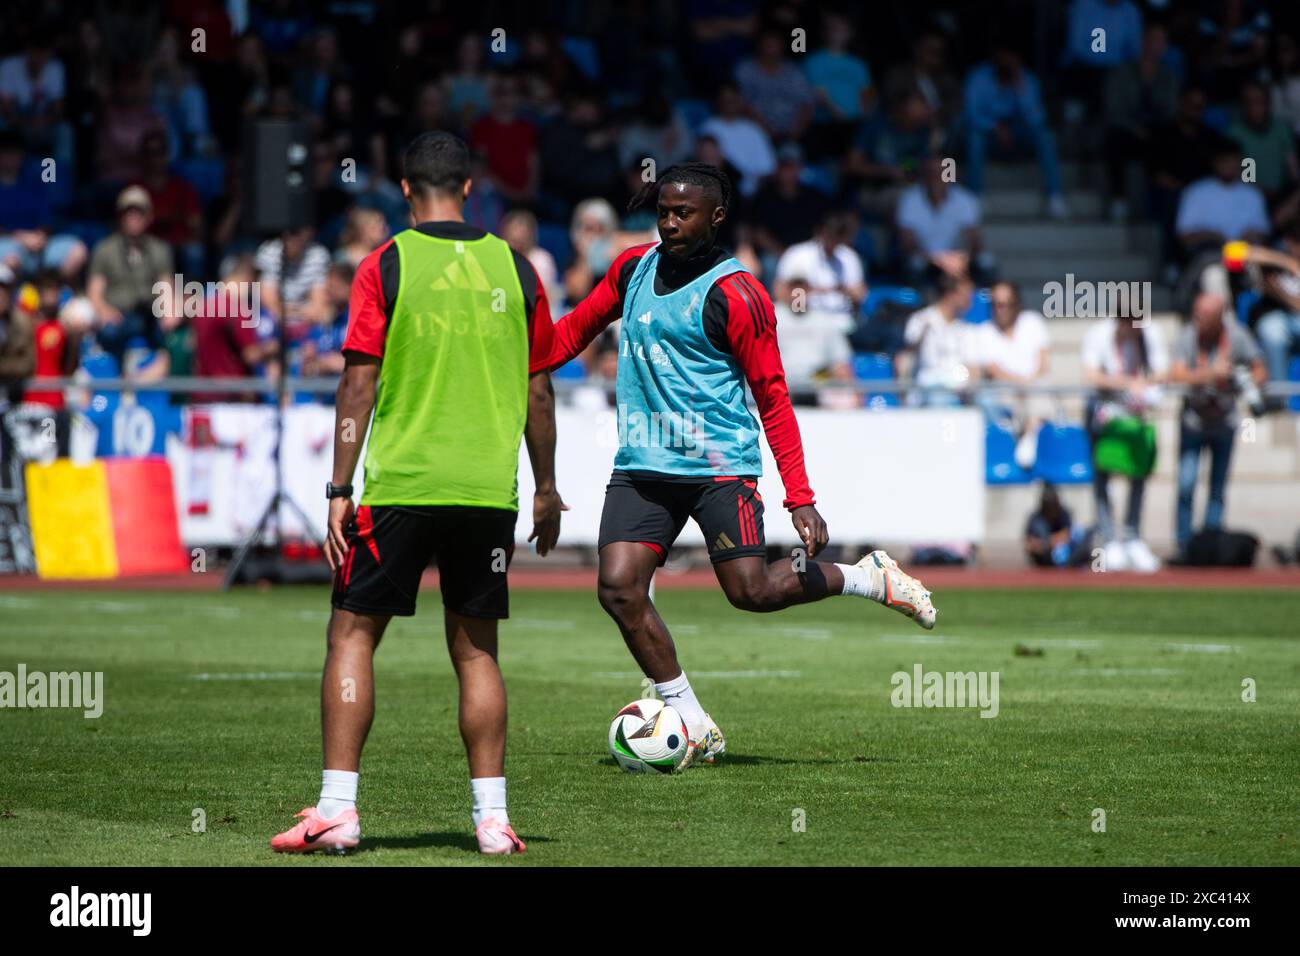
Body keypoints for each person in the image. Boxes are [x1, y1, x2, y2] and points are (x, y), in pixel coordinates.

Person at [541, 162, 937, 768]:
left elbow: (774, 397)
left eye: (683, 213)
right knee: (619, 588)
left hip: (719, 467)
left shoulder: (738, 294)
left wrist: (800, 496)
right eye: (663, 212)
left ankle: (866, 576)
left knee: (749, 593)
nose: (669, 223)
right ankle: (695, 722)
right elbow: (572, 332)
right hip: (643, 466)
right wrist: (513, 360)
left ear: (715, 217)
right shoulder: (630, 269)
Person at [271, 132, 563, 857]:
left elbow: (358, 382)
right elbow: (540, 391)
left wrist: (339, 485)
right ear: (470, 188)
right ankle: (492, 821)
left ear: (404, 189)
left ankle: (339, 809)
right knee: (477, 653)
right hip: (486, 492)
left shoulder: (386, 263)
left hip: (401, 484)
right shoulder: (519, 268)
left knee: (352, 634)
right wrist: (548, 488)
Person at [1169, 292, 1267, 557]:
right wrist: (1211, 373)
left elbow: (1260, 369)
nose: (1198, 320)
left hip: (1225, 421)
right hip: (1193, 421)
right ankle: (1185, 546)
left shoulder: (1237, 335)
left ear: (1219, 316)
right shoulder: (1188, 335)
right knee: (1186, 483)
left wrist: (1241, 379)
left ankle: (1211, 546)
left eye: (1205, 316)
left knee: (1217, 487)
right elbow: (1176, 374)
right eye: (1197, 314)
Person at [1081, 311, 1169, 572]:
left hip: (1136, 414)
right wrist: (1127, 384)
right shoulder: (1099, 334)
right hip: (1104, 412)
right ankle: (1109, 541)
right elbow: (1092, 375)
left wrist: (1144, 388)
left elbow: (1162, 373)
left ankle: (1133, 538)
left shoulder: (1150, 334)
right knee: (1102, 476)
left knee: (1139, 474)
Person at [962, 44, 1067, 218]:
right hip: (990, 138)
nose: (1007, 61)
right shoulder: (979, 77)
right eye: (1003, 56)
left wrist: (1020, 88)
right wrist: (995, 127)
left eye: (1012, 57)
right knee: (974, 138)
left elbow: (1037, 120)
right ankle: (976, 197)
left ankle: (1054, 197)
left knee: (1045, 137)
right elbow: (970, 115)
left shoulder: (1028, 79)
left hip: (1019, 138)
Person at [86, 186, 175, 362]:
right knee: (108, 332)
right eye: (128, 212)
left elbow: (165, 286)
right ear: (120, 216)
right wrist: (104, 310)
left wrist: (169, 312)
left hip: (148, 315)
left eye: (139, 213)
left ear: (149, 217)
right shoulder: (105, 249)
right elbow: (94, 291)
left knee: (173, 335)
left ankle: (161, 380)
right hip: (116, 315)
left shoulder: (159, 249)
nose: (133, 217)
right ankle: (114, 379)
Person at [976, 281, 1051, 467]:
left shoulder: (1032, 322)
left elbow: (1043, 364)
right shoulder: (983, 332)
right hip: (1004, 393)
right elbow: (993, 370)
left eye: (1005, 304)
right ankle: (1026, 439)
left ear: (1016, 304)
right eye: (996, 304)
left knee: (1039, 391)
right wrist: (1021, 383)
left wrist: (1028, 384)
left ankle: (1030, 436)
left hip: (1032, 388)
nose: (1000, 310)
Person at [895, 154, 990, 286]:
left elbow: (974, 241)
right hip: (926, 261)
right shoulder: (909, 200)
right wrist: (939, 259)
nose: (936, 177)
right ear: (923, 175)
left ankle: (980, 304)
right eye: (931, 173)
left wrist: (963, 258)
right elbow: (908, 245)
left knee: (986, 263)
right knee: (914, 264)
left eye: (942, 172)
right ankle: (920, 305)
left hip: (957, 260)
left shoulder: (965, 200)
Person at [773, 210, 867, 330]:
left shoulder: (849, 257)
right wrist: (812, 292)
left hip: (842, 320)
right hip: (807, 320)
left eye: (837, 236)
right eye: (830, 235)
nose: (832, 242)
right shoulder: (797, 255)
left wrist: (840, 290)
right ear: (820, 232)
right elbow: (781, 293)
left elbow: (860, 294)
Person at [901, 270, 978, 403]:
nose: (970, 299)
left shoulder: (967, 329)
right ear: (950, 295)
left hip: (960, 391)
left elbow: (972, 367)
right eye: (965, 294)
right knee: (941, 400)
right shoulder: (921, 320)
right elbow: (906, 357)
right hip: (929, 389)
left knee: (987, 401)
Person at [1024, 482, 1090, 568]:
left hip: (1064, 552)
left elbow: (1066, 536)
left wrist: (1046, 542)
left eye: (1053, 504)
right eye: (1048, 505)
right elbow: (1029, 545)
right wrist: (1045, 544)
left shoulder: (1064, 514)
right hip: (1044, 558)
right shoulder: (1035, 518)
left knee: (1080, 533)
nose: (1051, 508)